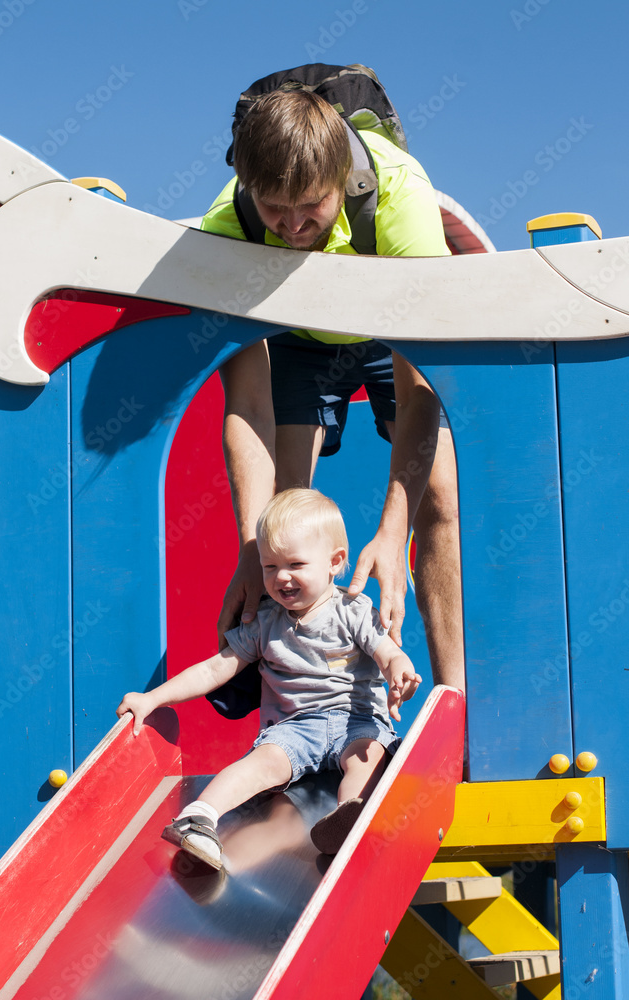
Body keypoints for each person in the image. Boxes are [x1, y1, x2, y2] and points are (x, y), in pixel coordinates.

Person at [201, 89, 465, 692]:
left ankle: (456, 700)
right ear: (248, 189)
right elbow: (246, 400)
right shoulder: (228, 225)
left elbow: (417, 379)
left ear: (341, 180)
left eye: (311, 206)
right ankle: (301, 698)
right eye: (274, 209)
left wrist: (393, 532)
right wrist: (251, 548)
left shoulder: (399, 195)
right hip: (296, 335)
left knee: (439, 501)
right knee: (285, 521)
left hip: (387, 326)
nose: (293, 227)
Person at [117, 489, 421, 869]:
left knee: (368, 756)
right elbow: (215, 668)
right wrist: (153, 698)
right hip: (294, 727)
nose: (282, 577)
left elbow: (388, 652)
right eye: (269, 567)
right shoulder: (264, 622)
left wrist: (399, 671)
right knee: (262, 762)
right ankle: (199, 818)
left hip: (355, 718)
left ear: (334, 562)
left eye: (295, 564)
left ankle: (350, 816)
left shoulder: (352, 610)